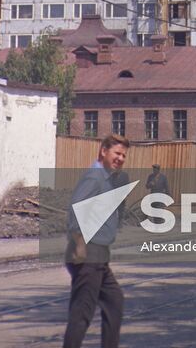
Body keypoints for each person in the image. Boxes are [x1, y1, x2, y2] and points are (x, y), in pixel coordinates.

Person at [63, 134, 130, 348]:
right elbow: (76, 209)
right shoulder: (95, 177)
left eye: (123, 155)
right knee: (81, 313)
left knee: (114, 301)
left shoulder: (105, 178)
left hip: (99, 256)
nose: (120, 158)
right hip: (87, 253)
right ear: (103, 151)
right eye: (117, 153)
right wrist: (80, 245)